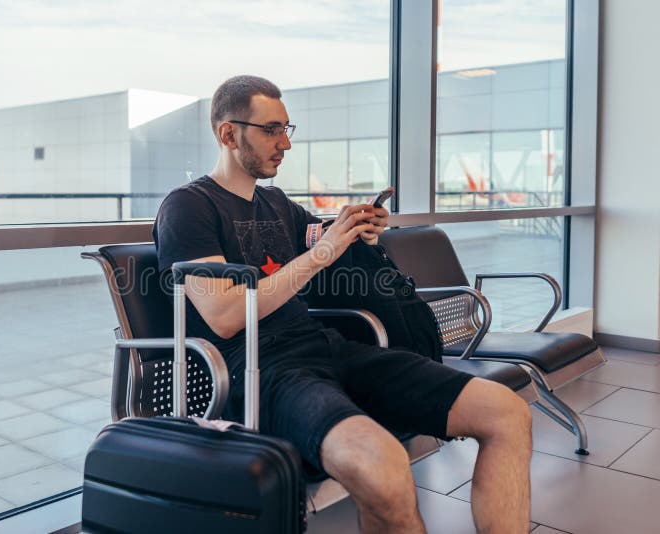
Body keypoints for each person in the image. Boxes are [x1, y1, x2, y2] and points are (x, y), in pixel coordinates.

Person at [152, 75, 532, 533]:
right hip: (261, 372)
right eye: (271, 129)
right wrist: (323, 252)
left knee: (506, 412)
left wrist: (357, 227)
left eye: (286, 129)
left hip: (325, 349)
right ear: (228, 134)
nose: (284, 144)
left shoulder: (276, 204)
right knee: (384, 466)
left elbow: (321, 237)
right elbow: (226, 315)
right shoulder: (188, 208)